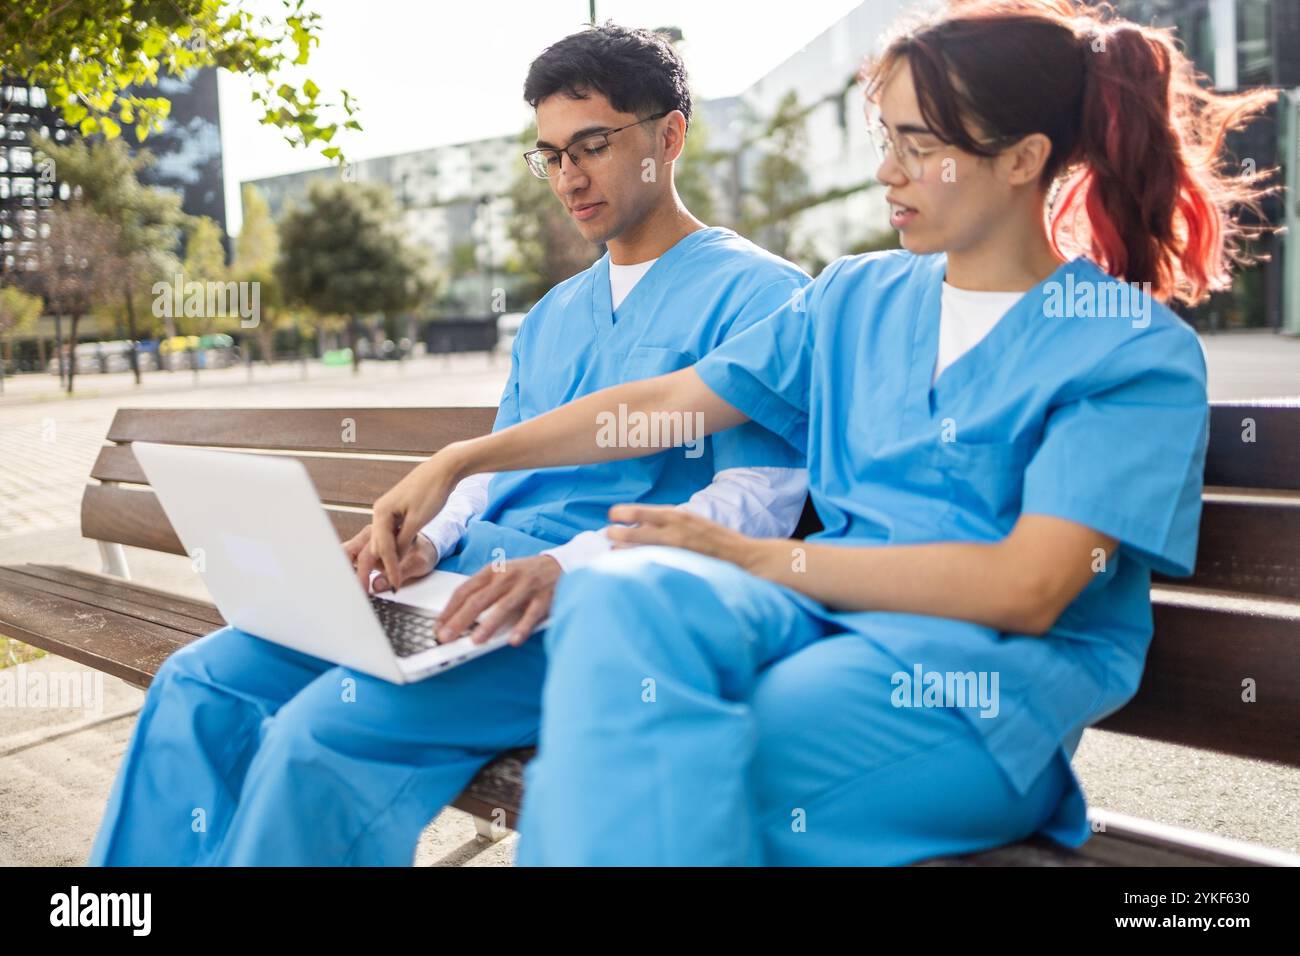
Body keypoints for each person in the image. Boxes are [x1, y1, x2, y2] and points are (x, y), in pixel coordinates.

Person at [366, 0, 1276, 865]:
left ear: (1021, 158)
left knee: (656, 769)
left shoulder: (1124, 348)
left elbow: (1031, 587)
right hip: (821, 626)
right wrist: (464, 457)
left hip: (979, 691)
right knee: (615, 603)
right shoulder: (855, 296)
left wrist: (762, 560)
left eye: (918, 145)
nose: (888, 171)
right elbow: (664, 403)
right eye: (888, 141)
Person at [88, 23, 810, 866]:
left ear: (669, 136)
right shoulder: (553, 315)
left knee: (317, 738)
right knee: (200, 683)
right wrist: (428, 537)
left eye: (592, 146)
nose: (568, 177)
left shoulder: (762, 295)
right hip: (451, 594)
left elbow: (757, 505)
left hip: (568, 614)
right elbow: (497, 458)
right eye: (549, 155)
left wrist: (566, 566)